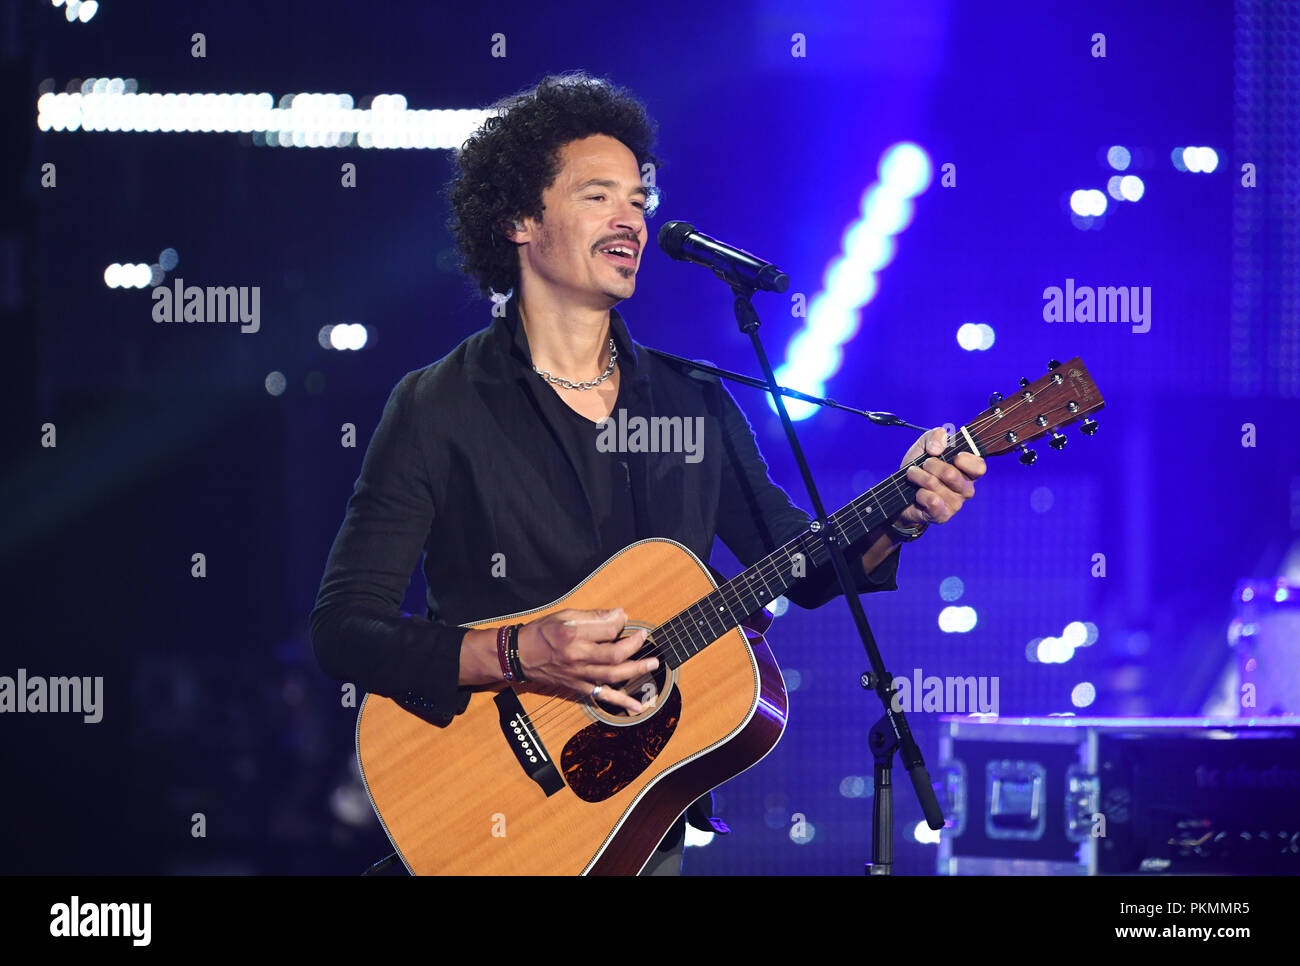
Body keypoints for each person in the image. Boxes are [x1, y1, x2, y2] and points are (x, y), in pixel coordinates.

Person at [309, 71, 986, 876]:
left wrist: (902, 509)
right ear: (520, 219)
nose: (632, 215)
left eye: (639, 196)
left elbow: (802, 567)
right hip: (484, 806)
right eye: (600, 195)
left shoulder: (694, 399)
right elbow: (345, 630)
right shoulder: (437, 405)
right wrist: (522, 654)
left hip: (638, 825)